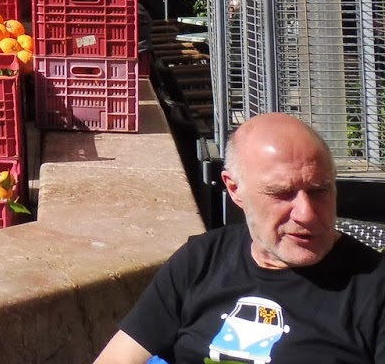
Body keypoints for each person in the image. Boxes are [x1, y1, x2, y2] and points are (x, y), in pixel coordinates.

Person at [93, 112, 385, 363]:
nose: (306, 214)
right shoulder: (202, 260)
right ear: (234, 189)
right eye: (282, 193)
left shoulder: (374, 289)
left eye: (320, 189)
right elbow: (118, 356)